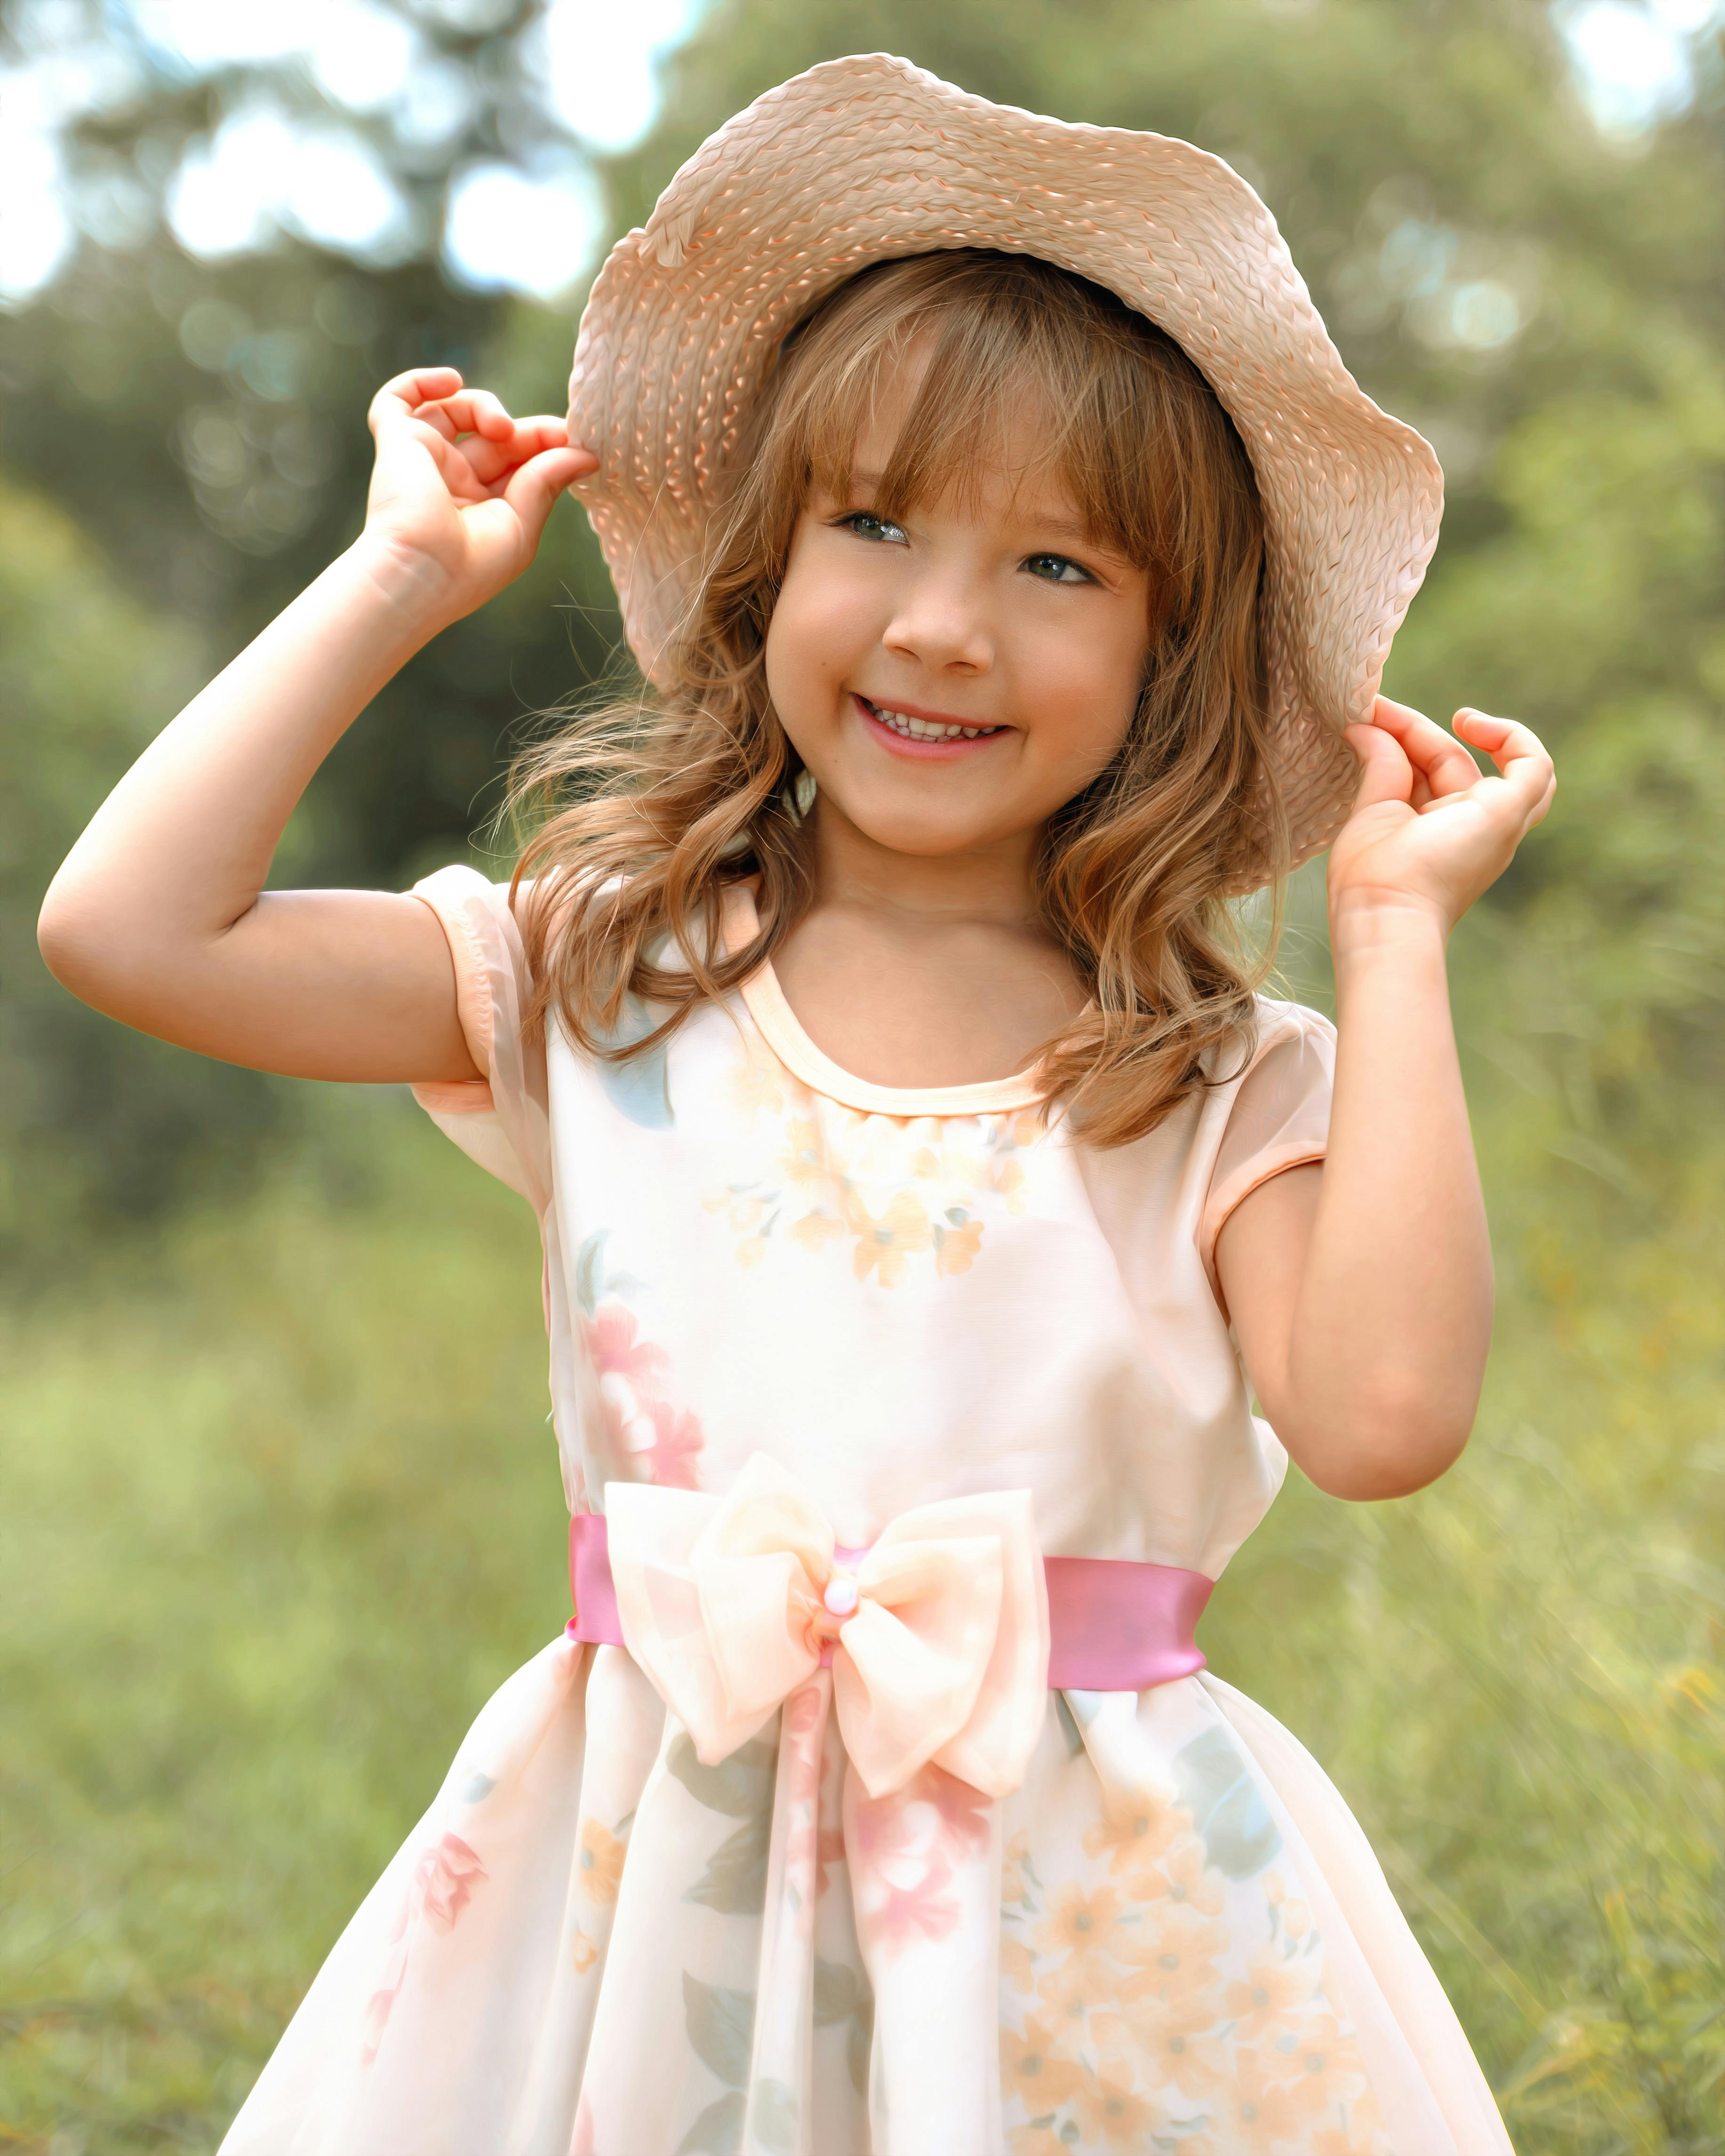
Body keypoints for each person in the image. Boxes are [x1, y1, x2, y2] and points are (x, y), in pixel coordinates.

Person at [39, 54, 1552, 2156]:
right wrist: (393, 580)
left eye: (1058, 570)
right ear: (766, 565)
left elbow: (1383, 1423)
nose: (940, 625)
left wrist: (1389, 939)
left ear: (1166, 655)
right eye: (871, 525)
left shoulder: (1212, 1085)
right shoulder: (606, 972)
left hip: (1081, 1936)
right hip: (639, 1882)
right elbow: (131, 932)